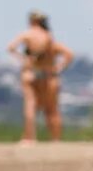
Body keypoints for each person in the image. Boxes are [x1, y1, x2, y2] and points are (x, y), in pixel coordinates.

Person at [7, 11, 74, 143]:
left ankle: (30, 138)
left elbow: (11, 47)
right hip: (49, 76)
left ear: (32, 21)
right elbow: (69, 54)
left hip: (30, 74)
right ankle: (55, 139)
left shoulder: (27, 35)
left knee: (30, 105)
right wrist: (59, 67)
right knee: (52, 109)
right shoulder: (48, 37)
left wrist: (24, 59)